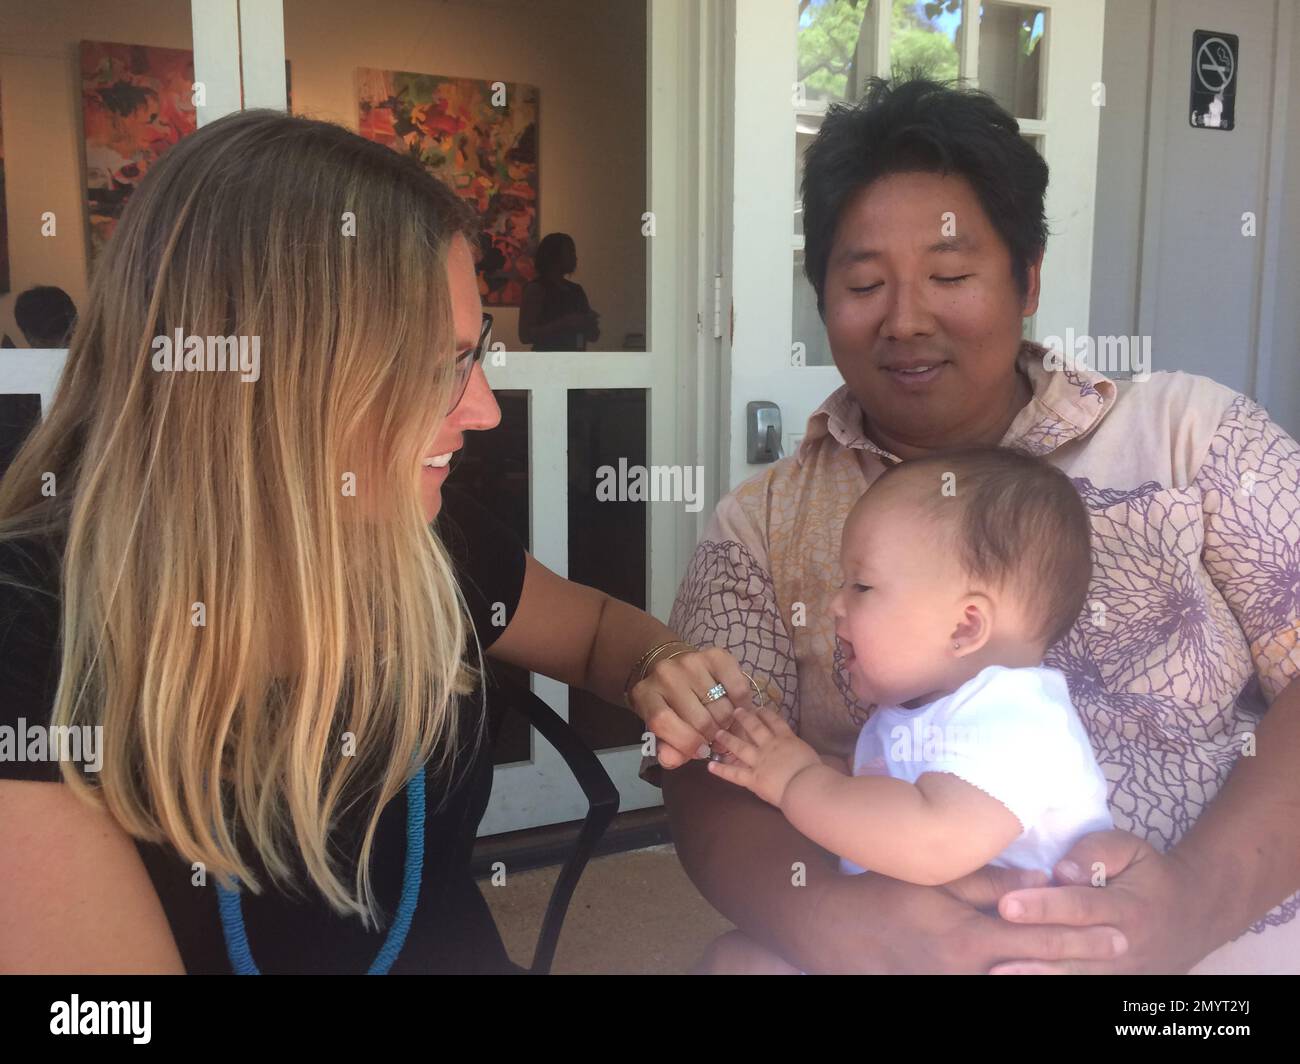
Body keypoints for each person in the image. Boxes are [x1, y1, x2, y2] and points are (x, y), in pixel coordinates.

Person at [0, 109, 744, 974]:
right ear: (266, 379)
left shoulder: (415, 531)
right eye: (436, 367)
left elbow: (592, 632)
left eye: (476, 354)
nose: (485, 411)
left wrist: (659, 662)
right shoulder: (32, 633)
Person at [655, 76, 1300, 974]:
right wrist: (845, 926)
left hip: (1229, 935)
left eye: (951, 276)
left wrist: (1192, 905)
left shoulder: (1192, 437)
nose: (906, 320)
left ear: (1027, 279)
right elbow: (708, 768)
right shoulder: (761, 525)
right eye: (865, 283)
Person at [705, 447, 1114, 973]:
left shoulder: (1018, 717)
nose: (834, 603)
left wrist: (797, 783)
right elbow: (875, 801)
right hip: (907, 943)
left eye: (862, 586)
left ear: (965, 626)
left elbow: (932, 839)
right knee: (734, 959)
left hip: (1003, 953)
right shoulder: (915, 710)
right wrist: (792, 760)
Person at [518, 232, 599, 351]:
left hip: (575, 362)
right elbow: (525, 336)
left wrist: (589, 323)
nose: (575, 258)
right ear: (554, 256)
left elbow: (593, 336)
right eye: (570, 252)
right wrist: (565, 323)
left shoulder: (576, 290)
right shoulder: (536, 289)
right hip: (547, 363)